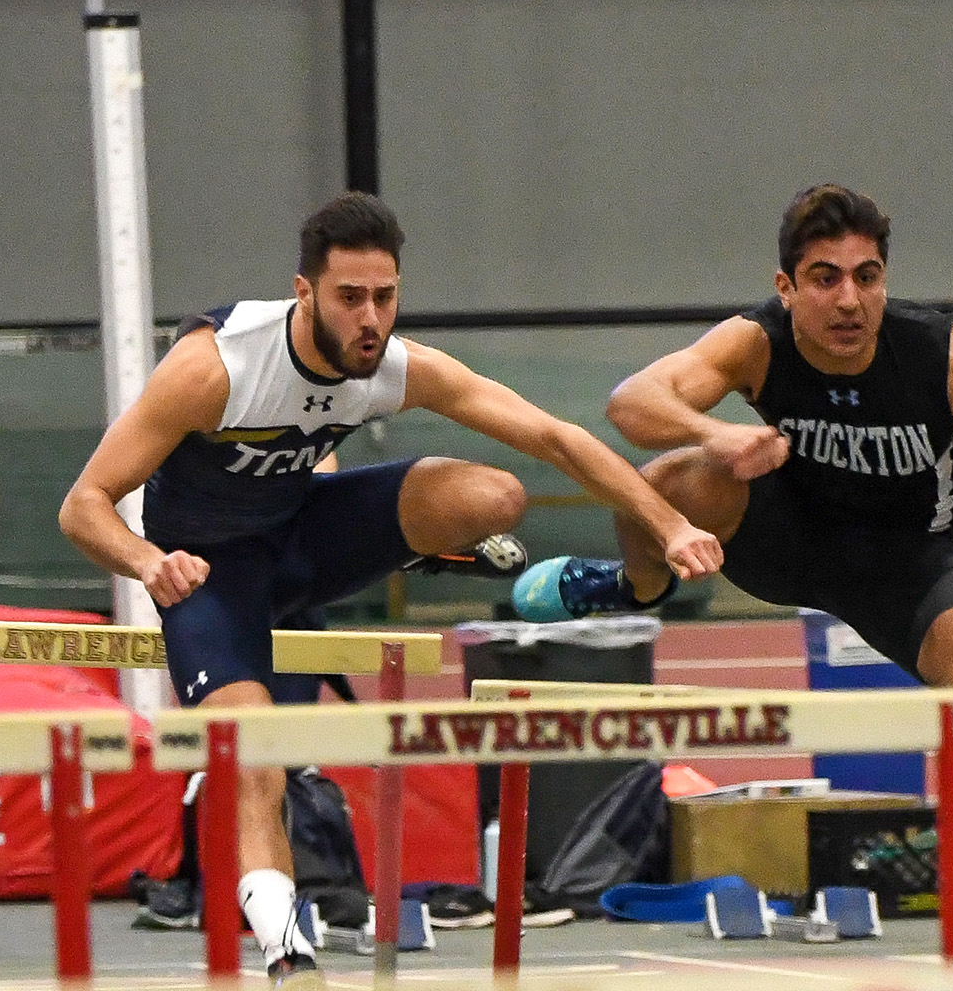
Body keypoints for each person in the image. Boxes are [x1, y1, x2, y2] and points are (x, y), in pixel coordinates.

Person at [58, 192, 722, 985]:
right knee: (256, 757)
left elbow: (557, 436)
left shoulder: (390, 366)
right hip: (209, 571)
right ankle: (287, 951)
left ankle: (418, 548)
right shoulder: (215, 368)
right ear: (304, 294)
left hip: (305, 537)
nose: (370, 320)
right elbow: (83, 505)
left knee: (493, 495)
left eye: (385, 298)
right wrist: (145, 562)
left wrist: (669, 524)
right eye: (349, 299)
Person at [515, 183, 953, 932]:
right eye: (825, 278)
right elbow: (632, 402)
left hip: (908, 561)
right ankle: (635, 585)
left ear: (886, 280)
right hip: (784, 537)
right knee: (676, 479)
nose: (849, 300)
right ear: (786, 288)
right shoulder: (756, 342)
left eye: (867, 276)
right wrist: (718, 432)